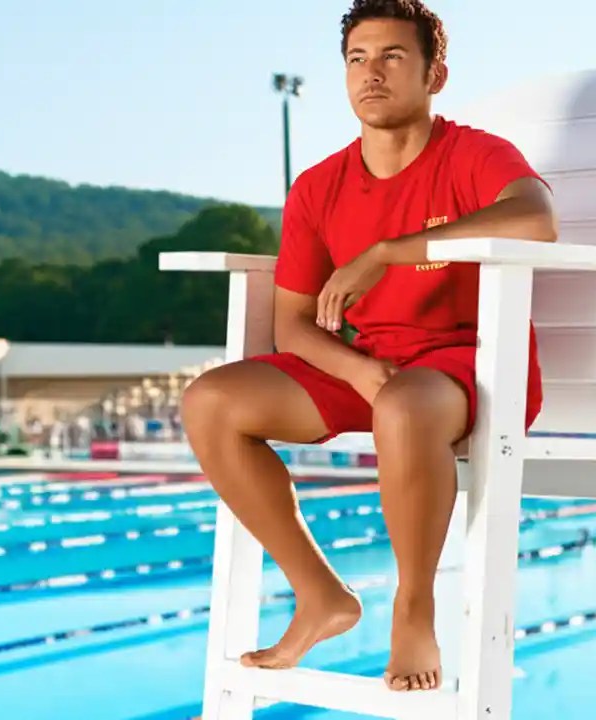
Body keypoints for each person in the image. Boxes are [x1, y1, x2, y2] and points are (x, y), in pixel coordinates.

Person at [181, 0, 556, 693]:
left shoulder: (473, 153)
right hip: (372, 369)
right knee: (210, 401)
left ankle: (414, 606)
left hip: (469, 365)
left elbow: (536, 217)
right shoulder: (320, 186)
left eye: (392, 58)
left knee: (406, 408)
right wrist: (357, 370)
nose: (371, 74)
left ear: (434, 74)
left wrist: (391, 251)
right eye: (357, 59)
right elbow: (292, 325)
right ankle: (320, 595)